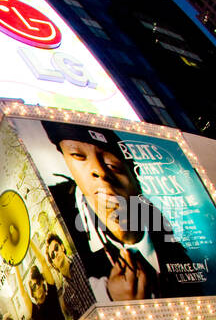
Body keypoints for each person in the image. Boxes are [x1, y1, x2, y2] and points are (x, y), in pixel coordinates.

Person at [42, 120, 195, 302]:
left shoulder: (174, 242)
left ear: (134, 172)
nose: (99, 172)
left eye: (111, 162)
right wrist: (109, 300)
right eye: (77, 155)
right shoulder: (54, 213)